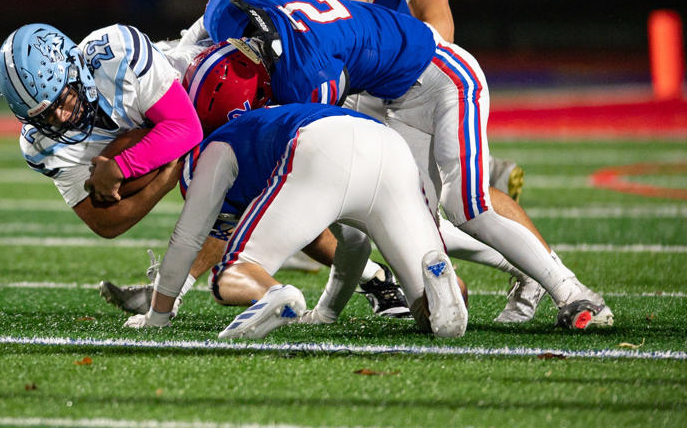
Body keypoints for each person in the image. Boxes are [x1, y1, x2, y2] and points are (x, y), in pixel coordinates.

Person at [184, 0, 614, 330]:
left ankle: (574, 293)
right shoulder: (237, 12)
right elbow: (222, 3)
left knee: (467, 206)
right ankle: (515, 271)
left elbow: (323, 160)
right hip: (395, 100)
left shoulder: (307, 78)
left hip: (444, 76)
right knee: (417, 227)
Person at [265, 0, 555, 322]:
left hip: (410, 78)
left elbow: (439, 21)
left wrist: (409, 74)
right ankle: (510, 273)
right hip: (360, 86)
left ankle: (545, 273)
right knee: (388, 209)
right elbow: (271, 1)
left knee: (457, 204)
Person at [123, 103, 468, 340]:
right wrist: (326, 312)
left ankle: (275, 293)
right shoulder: (263, 126)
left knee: (230, 272)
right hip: (388, 145)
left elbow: (186, 239)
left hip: (321, 146)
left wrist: (157, 318)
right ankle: (445, 288)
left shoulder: (212, 152)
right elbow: (354, 244)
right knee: (429, 316)